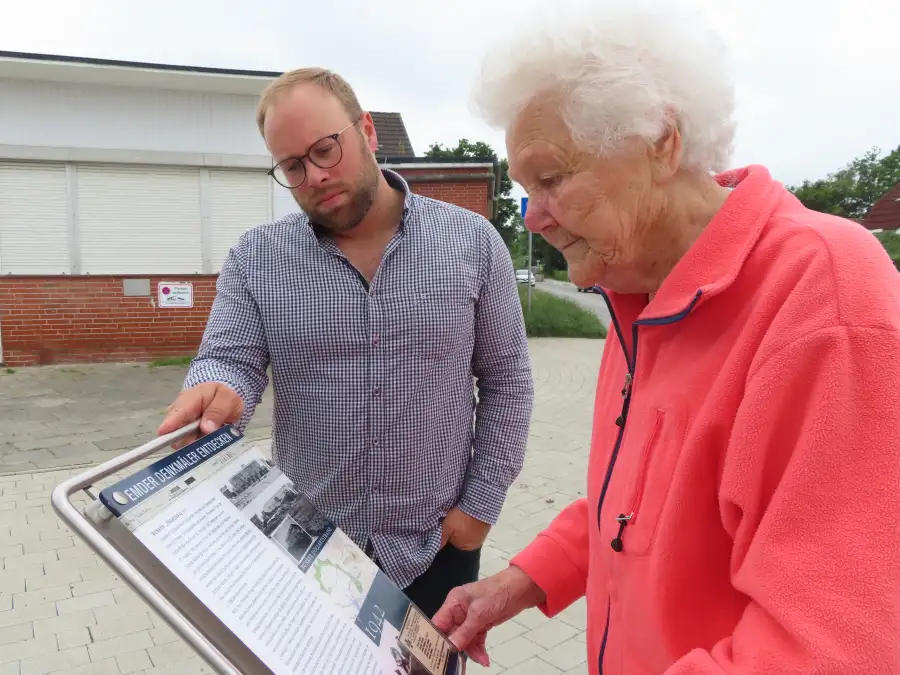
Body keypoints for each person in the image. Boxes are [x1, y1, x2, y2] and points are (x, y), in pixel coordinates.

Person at [433, 3, 900, 674]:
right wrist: (519, 584)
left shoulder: (822, 295)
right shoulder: (638, 288)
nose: (531, 215)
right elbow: (636, 507)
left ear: (662, 141)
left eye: (552, 177)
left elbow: (830, 645)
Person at [157, 67, 534, 618]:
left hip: (436, 546)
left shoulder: (472, 242)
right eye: (291, 165)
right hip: (307, 549)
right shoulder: (256, 259)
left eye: (325, 149)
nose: (313, 175)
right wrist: (214, 391)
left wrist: (480, 507)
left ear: (367, 132)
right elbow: (227, 358)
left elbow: (507, 382)